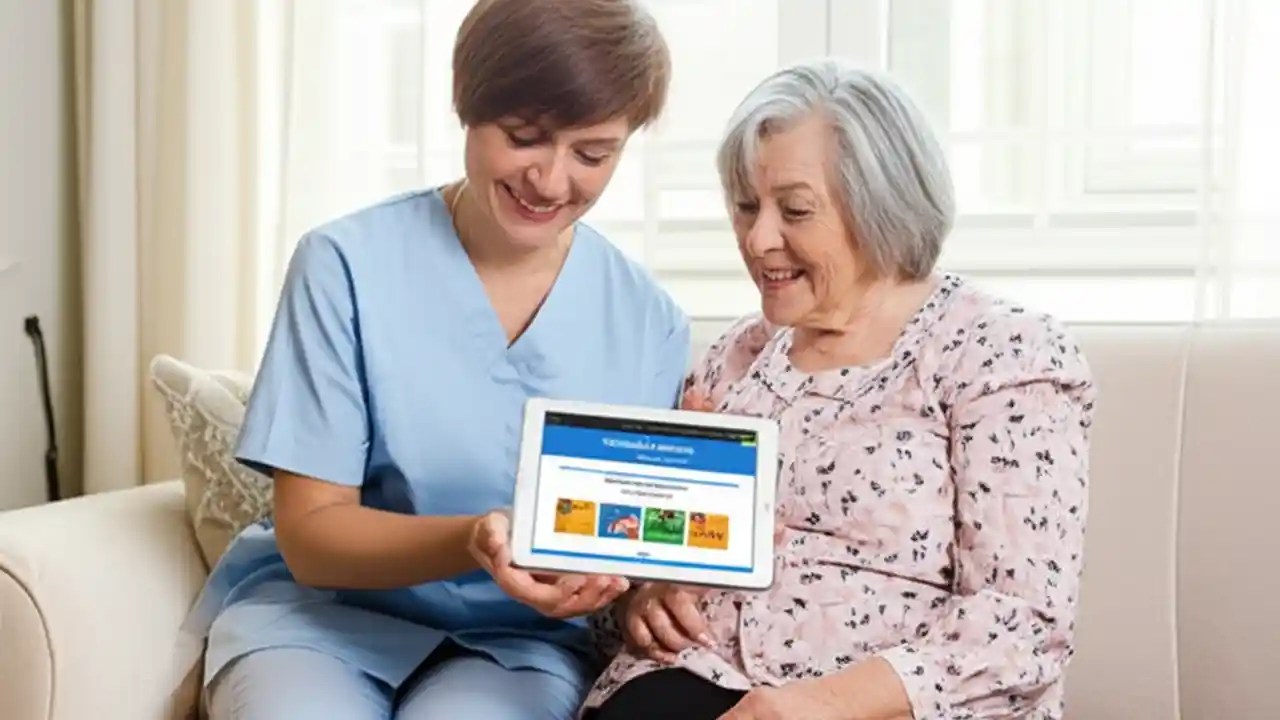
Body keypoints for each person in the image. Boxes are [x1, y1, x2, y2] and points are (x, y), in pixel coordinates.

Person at [182, 1, 689, 718]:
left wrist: (650, 586)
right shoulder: (343, 266)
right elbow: (312, 535)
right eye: (524, 137)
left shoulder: (649, 322)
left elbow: (631, 539)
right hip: (320, 621)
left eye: (592, 154)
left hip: (518, 648)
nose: (550, 180)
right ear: (466, 105)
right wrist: (474, 539)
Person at [582, 60, 1097, 720]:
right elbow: (621, 589)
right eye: (746, 206)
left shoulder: (999, 353)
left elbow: (1022, 627)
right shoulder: (733, 361)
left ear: (881, 206)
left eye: (795, 210)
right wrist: (644, 597)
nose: (758, 239)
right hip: (686, 684)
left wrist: (813, 706)